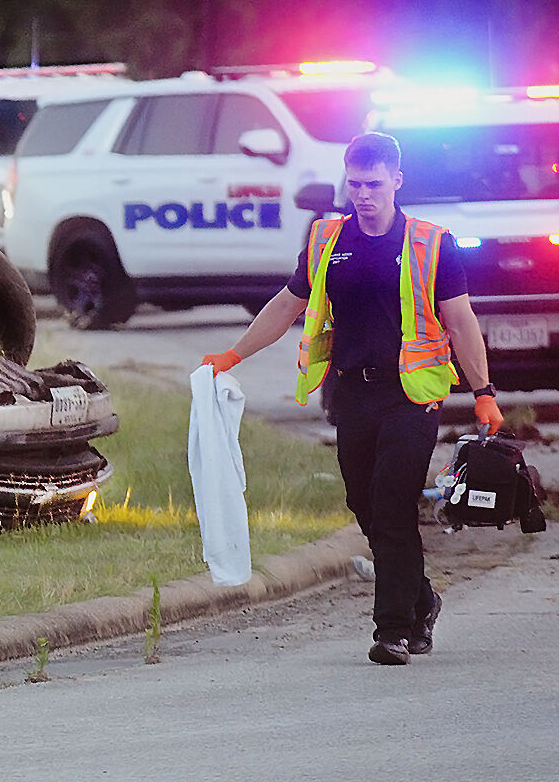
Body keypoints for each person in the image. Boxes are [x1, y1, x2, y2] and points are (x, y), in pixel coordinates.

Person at [196, 132, 502, 666]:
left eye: (374, 185)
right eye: (355, 184)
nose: (363, 195)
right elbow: (287, 305)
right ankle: (422, 599)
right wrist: (233, 354)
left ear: (396, 182)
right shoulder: (327, 240)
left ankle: (393, 631)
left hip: (411, 396)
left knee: (391, 504)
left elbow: (461, 322)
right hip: (351, 394)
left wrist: (484, 394)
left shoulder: (432, 243)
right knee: (363, 503)